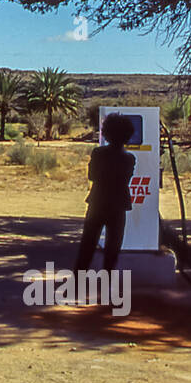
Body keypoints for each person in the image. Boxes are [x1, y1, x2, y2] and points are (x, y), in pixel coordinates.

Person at [75, 113, 137, 273]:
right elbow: (125, 180)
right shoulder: (129, 158)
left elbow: (92, 176)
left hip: (97, 203)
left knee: (87, 245)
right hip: (118, 206)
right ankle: (107, 284)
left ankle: (77, 282)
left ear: (107, 133)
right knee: (113, 248)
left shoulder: (98, 153)